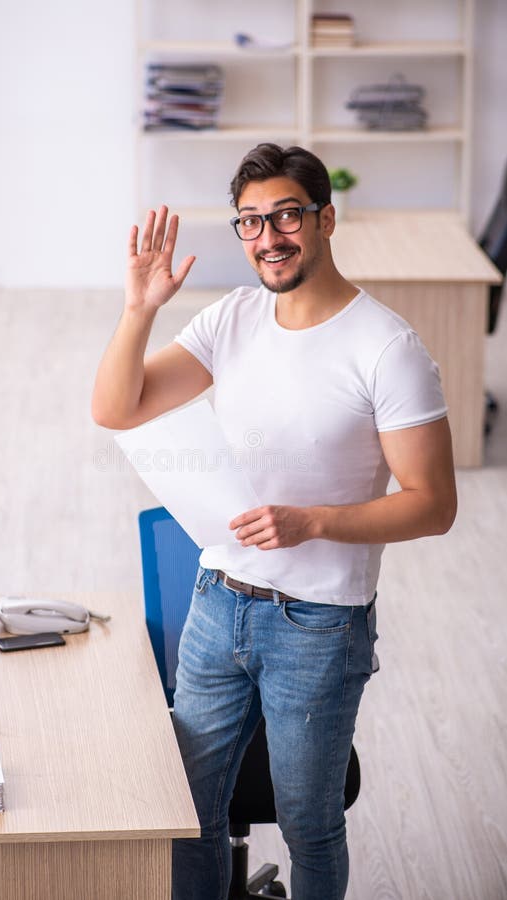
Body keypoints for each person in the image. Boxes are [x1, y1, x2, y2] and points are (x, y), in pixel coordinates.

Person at [91, 143, 457, 900]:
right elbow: (114, 407)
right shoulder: (234, 318)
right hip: (216, 601)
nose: (268, 236)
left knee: (307, 822)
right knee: (185, 810)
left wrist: (313, 522)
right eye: (250, 221)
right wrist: (138, 309)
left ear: (324, 219)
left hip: (317, 624)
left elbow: (433, 502)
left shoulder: (386, 348)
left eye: (286, 215)